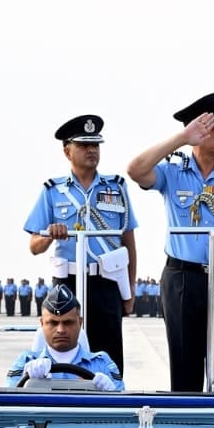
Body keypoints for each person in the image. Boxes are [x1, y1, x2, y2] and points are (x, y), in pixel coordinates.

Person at [128, 92, 214, 392]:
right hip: (183, 279)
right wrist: (181, 138)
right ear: (197, 131)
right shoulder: (172, 172)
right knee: (185, 367)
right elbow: (135, 169)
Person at [25, 114, 139, 375]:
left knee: (108, 355)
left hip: (107, 282)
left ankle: (109, 408)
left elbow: (129, 242)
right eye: (84, 145)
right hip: (68, 285)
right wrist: (50, 235)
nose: (92, 150)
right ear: (67, 151)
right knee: (63, 353)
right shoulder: (52, 191)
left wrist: (130, 291)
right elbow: (34, 246)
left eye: (95, 145)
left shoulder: (117, 187)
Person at [4, 285, 123, 391]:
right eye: (53, 323)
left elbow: (124, 410)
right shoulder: (26, 361)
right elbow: (6, 407)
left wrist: (113, 395)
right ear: (42, 324)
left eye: (68, 322)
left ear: (80, 323)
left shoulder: (102, 363)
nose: (60, 330)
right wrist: (25, 383)